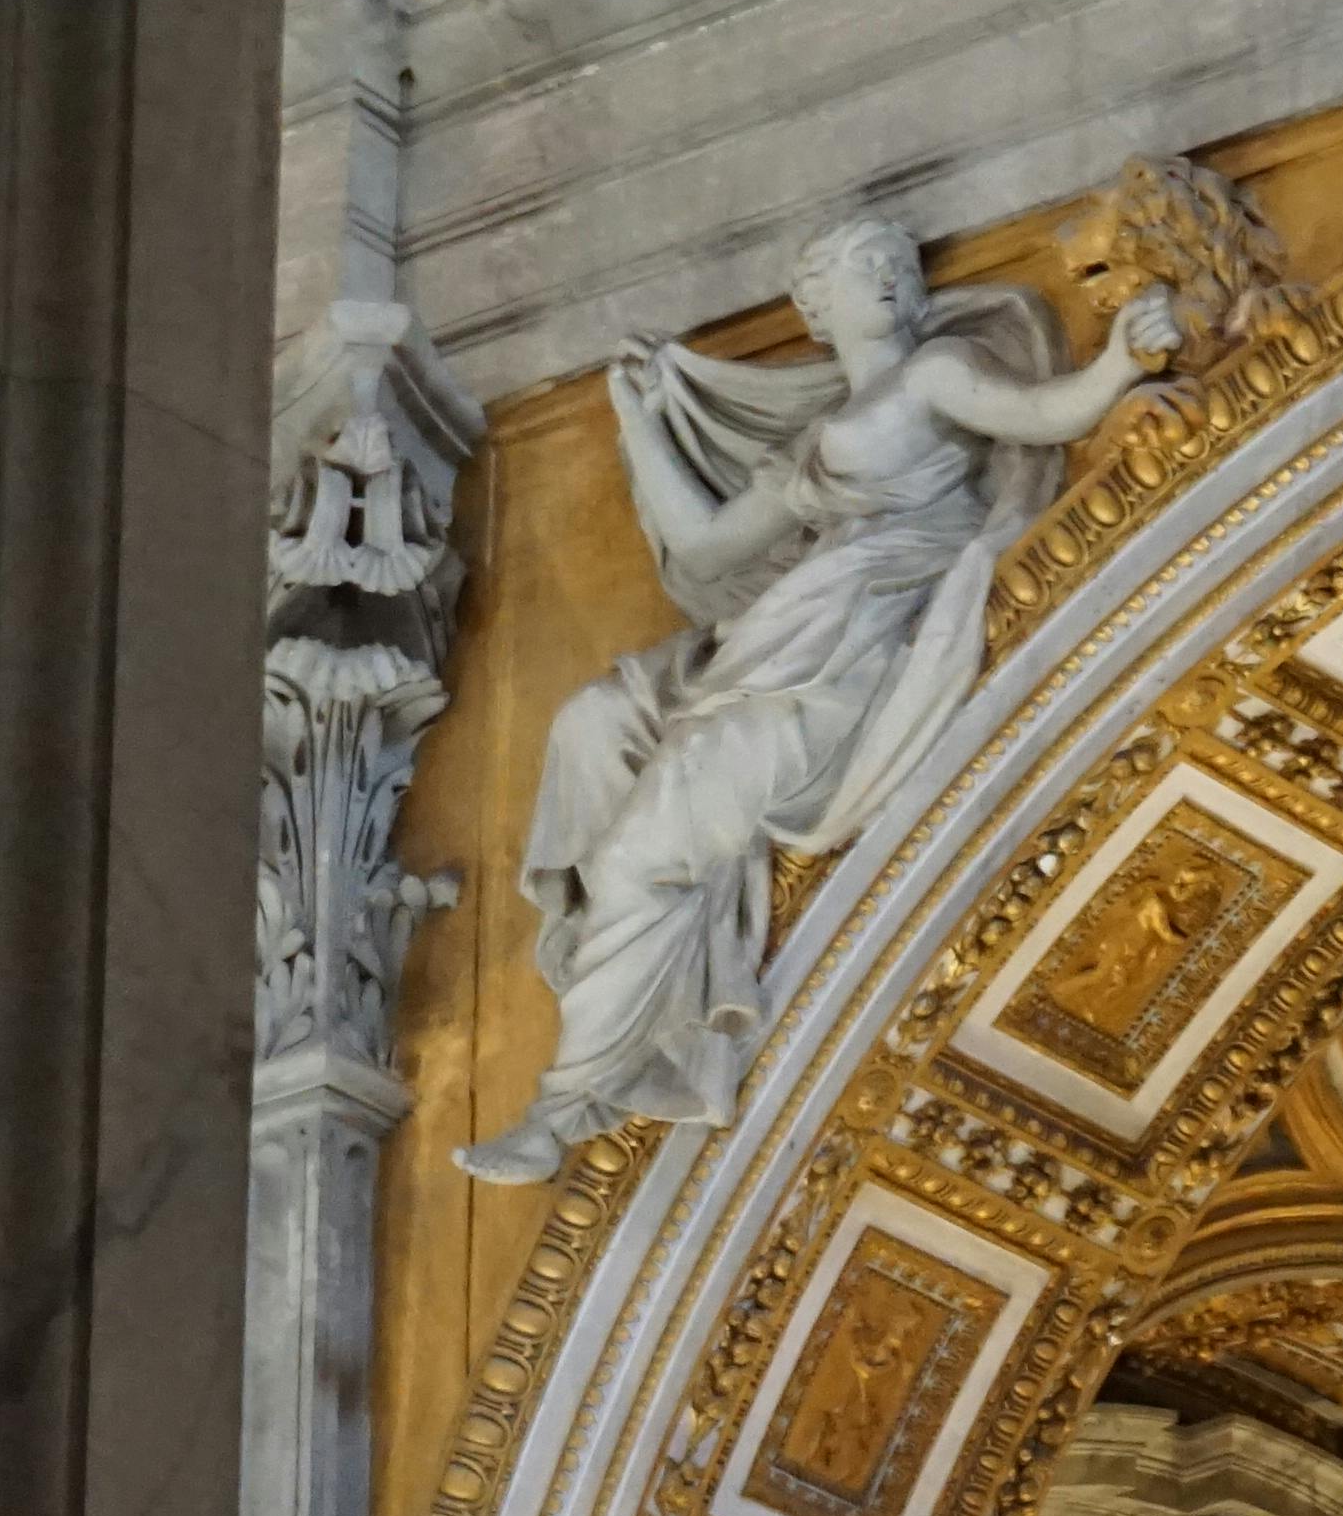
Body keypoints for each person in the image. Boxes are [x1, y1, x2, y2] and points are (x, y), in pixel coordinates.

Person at [481, 218, 1183, 1176]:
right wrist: (639, 422)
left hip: (857, 629)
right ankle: (590, 1069)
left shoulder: (937, 372)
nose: (889, 278)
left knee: (643, 856)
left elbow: (1050, 414)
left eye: (896, 264)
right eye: (862, 270)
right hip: (794, 627)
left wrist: (1119, 364)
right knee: (594, 722)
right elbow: (704, 548)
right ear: (817, 309)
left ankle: (562, 1108)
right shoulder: (820, 444)